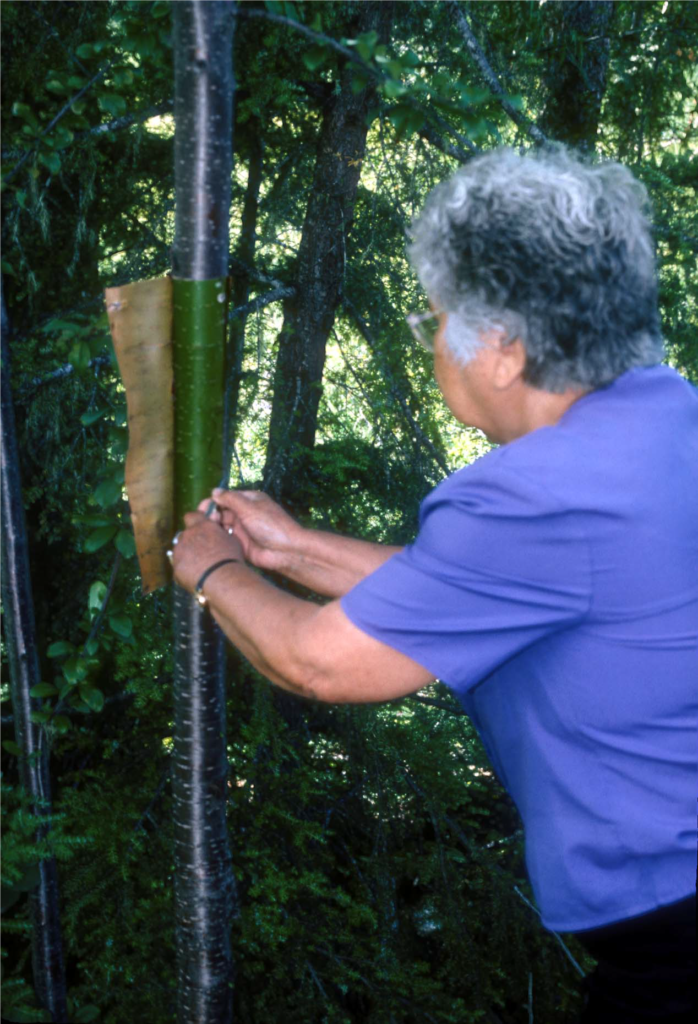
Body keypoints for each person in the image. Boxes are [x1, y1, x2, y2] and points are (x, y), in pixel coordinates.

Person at [171, 146, 697, 1022]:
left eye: (433, 322)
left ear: (499, 348)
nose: (429, 345)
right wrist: (292, 551)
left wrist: (210, 569)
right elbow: (492, 598)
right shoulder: (664, 420)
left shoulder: (538, 494)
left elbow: (323, 664)